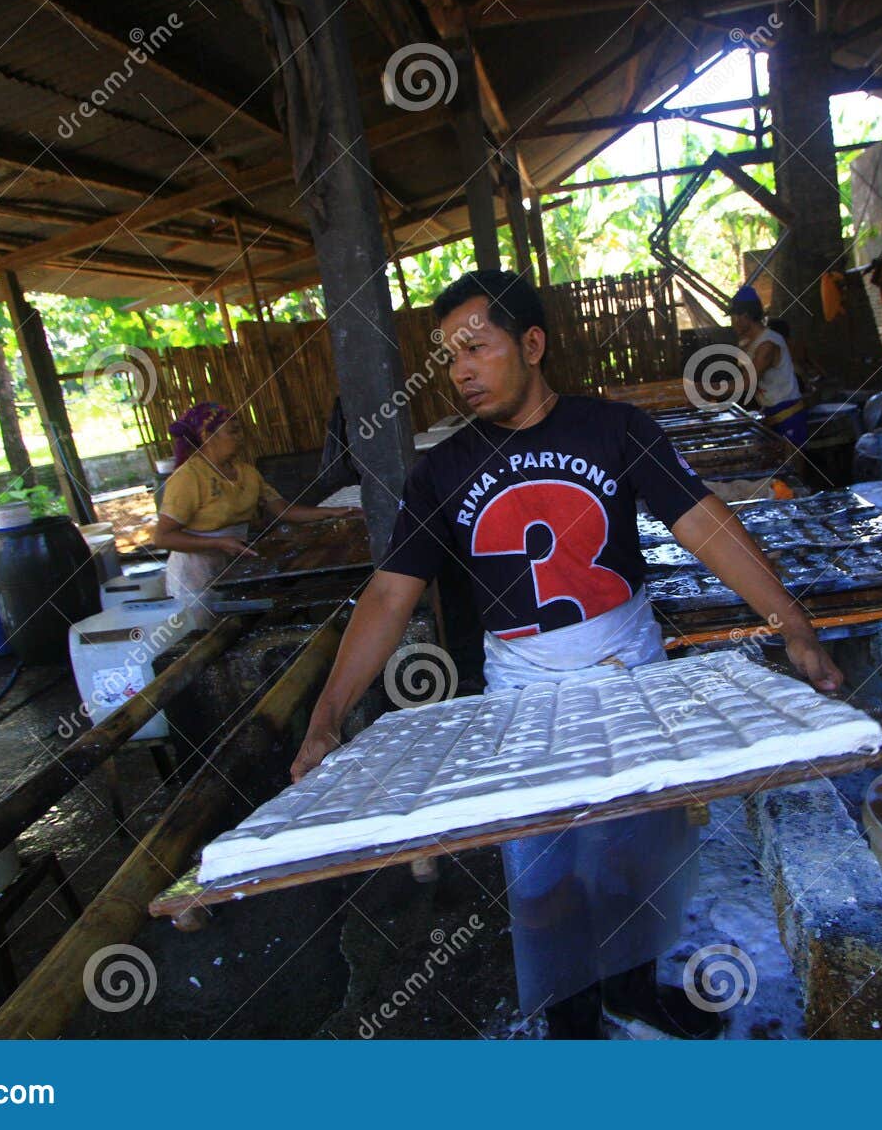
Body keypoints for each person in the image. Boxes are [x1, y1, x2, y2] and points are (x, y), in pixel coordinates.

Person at [288, 269, 843, 1038]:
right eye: (449, 357)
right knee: (542, 868)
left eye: (476, 348)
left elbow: (705, 524)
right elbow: (388, 595)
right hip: (524, 688)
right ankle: (571, 1015)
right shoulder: (441, 471)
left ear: (532, 344)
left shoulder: (615, 430)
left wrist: (793, 624)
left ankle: (631, 988)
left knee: (636, 849)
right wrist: (327, 714)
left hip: (627, 669)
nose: (459, 372)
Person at [154, 402, 359, 604]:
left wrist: (333, 512)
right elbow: (163, 538)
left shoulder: (247, 473)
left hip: (232, 564)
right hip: (194, 573)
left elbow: (284, 511)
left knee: (231, 616)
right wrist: (217, 543)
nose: (241, 437)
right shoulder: (188, 477)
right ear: (207, 436)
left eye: (240, 431)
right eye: (233, 432)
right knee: (202, 621)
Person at [728, 286, 808, 445]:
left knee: (791, 459)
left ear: (744, 317)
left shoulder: (768, 344)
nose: (732, 323)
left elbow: (746, 383)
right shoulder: (750, 344)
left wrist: (707, 388)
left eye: (733, 317)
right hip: (771, 414)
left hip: (788, 416)